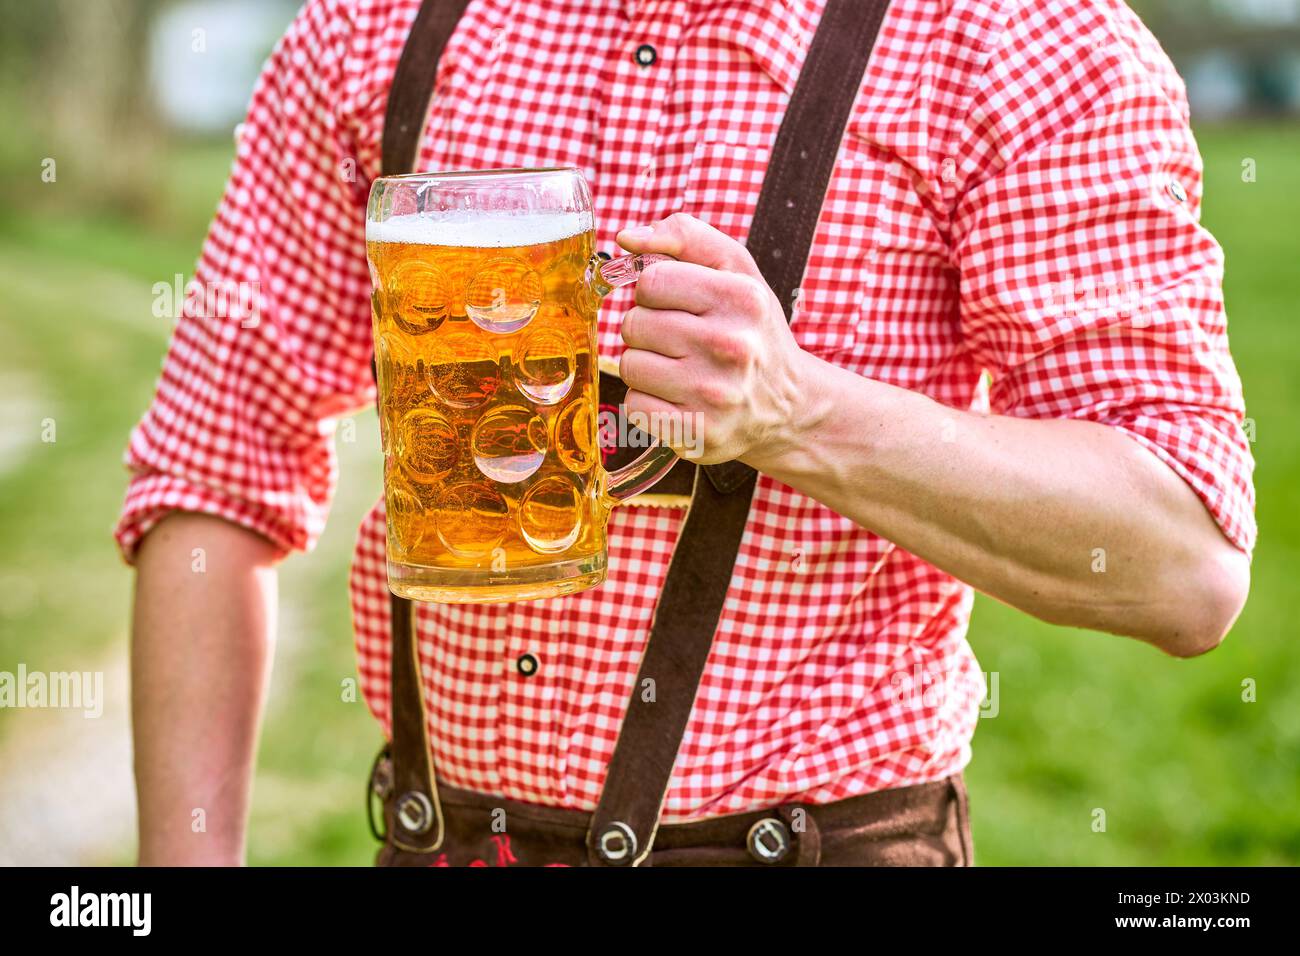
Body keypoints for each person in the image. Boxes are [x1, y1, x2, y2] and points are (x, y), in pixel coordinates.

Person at [119, 0, 1254, 866]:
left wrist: (799, 412)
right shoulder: (379, 27)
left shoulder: (1017, 39)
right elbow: (215, 468)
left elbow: (1181, 561)